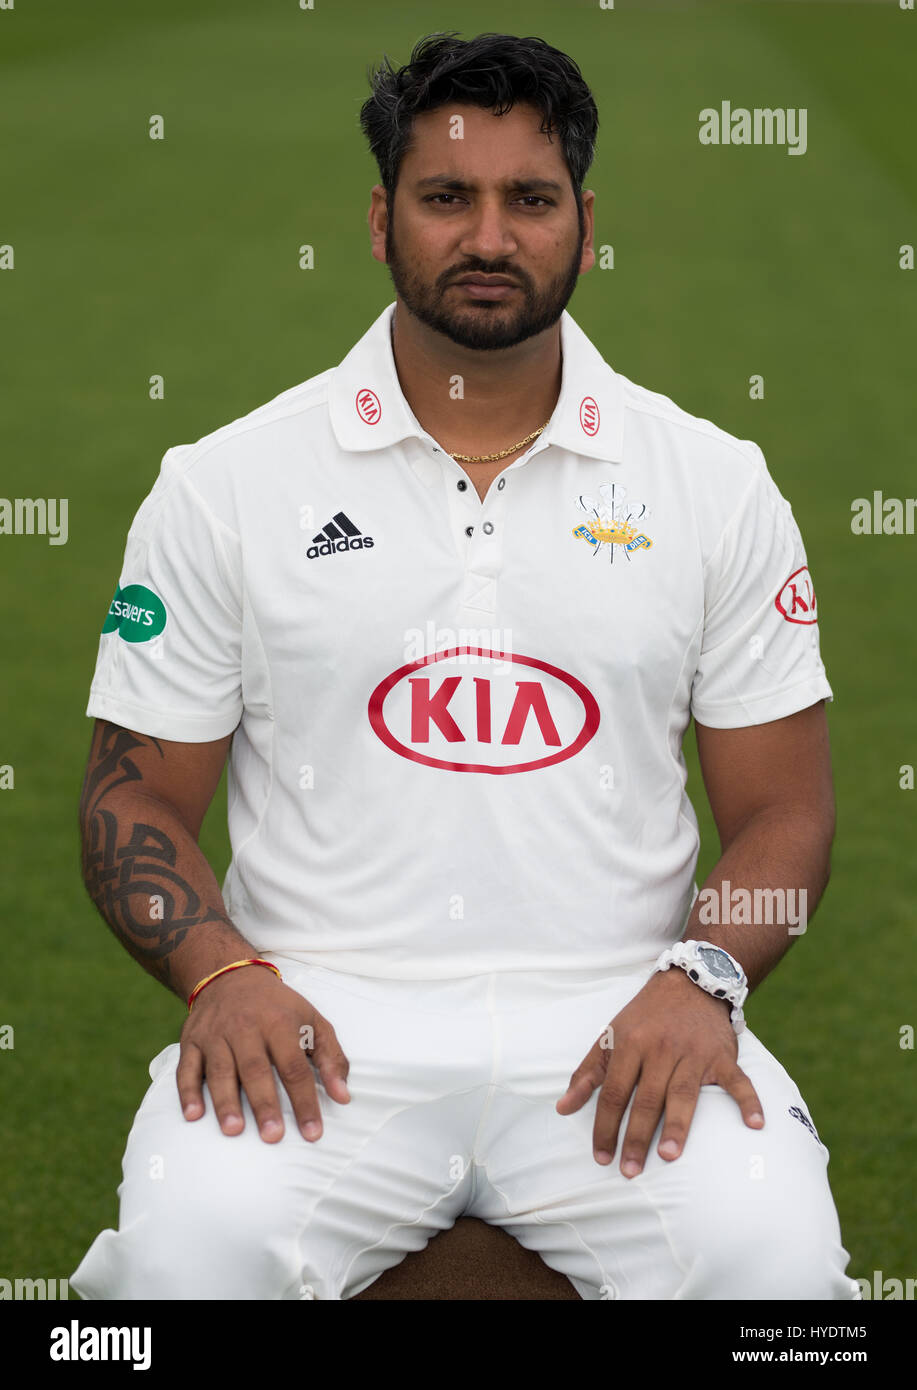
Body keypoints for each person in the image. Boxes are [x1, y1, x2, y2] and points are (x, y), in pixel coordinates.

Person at [71, 32, 859, 1301]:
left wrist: (700, 979)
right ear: (381, 220)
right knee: (178, 1268)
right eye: (447, 197)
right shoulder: (223, 483)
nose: (488, 236)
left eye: (528, 200)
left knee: (777, 1275)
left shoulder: (712, 483)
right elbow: (129, 795)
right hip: (316, 1019)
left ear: (583, 223)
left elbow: (785, 809)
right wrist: (218, 972)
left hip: (621, 1015)